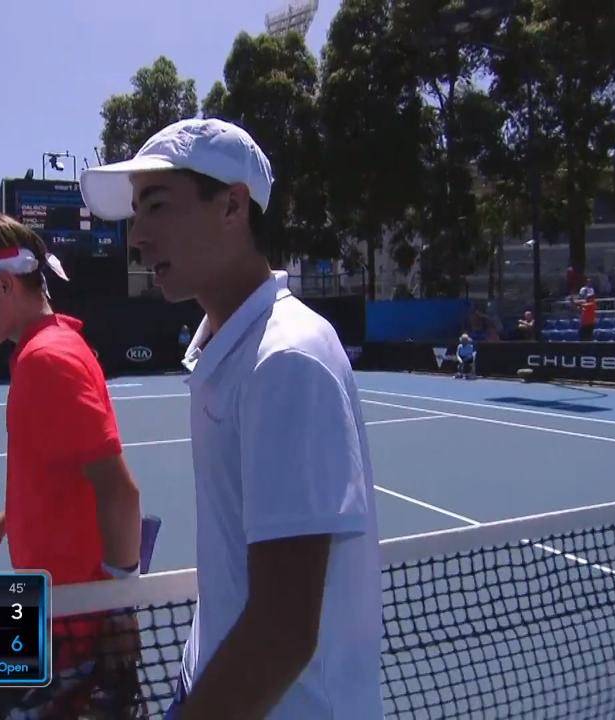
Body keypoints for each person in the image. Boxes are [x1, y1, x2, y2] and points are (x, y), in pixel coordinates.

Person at [81, 118, 381, 719]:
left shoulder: (285, 360)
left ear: (232, 206)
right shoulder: (230, 349)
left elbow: (282, 634)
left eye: (156, 206)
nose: (136, 235)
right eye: (136, 213)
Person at [0, 214, 145, 719]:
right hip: (55, 619)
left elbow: (120, 493)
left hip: (72, 632)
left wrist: (118, 613)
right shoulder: (51, 347)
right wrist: (2, 524)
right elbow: (62, 471)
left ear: (5, 283)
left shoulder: (45, 360)